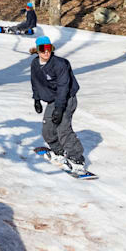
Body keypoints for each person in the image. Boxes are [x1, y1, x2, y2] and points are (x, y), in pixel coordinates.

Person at [30, 36, 86, 174]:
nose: (46, 52)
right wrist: (36, 99)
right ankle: (58, 151)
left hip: (67, 98)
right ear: (37, 51)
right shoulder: (35, 64)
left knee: (63, 129)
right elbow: (35, 82)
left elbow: (63, 87)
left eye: (49, 49)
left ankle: (77, 159)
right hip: (53, 100)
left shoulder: (60, 64)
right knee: (47, 129)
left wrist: (59, 109)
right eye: (43, 49)